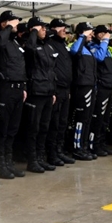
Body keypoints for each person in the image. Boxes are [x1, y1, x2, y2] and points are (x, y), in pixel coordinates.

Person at [0, 10, 26, 178]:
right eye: (12, 21)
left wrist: (24, 87)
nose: (16, 24)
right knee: (3, 129)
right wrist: (7, 28)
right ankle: (0, 164)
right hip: (5, 89)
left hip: (18, 89)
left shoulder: (14, 42)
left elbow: (21, 65)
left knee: (13, 129)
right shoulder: (1, 38)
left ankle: (8, 161)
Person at [21, 16, 55, 174]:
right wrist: (33, 33)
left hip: (48, 91)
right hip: (36, 91)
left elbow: (50, 70)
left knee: (44, 127)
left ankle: (41, 158)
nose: (44, 30)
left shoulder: (47, 46)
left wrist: (53, 91)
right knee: (33, 128)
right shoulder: (30, 44)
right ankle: (32, 160)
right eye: (40, 27)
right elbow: (29, 50)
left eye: (44, 27)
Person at [44, 18, 74, 166]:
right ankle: (51, 153)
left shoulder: (64, 44)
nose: (65, 30)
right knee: (54, 123)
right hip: (55, 89)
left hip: (66, 88)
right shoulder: (50, 43)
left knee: (63, 122)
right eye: (61, 28)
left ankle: (59, 151)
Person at [70, 22, 97, 161]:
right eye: (89, 32)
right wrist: (82, 36)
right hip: (82, 87)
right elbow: (74, 51)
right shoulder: (77, 46)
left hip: (91, 86)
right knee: (81, 119)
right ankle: (77, 148)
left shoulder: (88, 48)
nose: (91, 35)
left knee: (87, 118)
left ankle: (84, 146)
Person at [91, 26, 112, 157]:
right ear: (97, 34)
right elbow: (99, 58)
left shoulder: (105, 48)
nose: (107, 36)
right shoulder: (94, 46)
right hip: (100, 87)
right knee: (98, 117)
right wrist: (104, 42)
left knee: (105, 118)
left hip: (108, 87)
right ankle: (94, 145)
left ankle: (102, 144)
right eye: (105, 34)